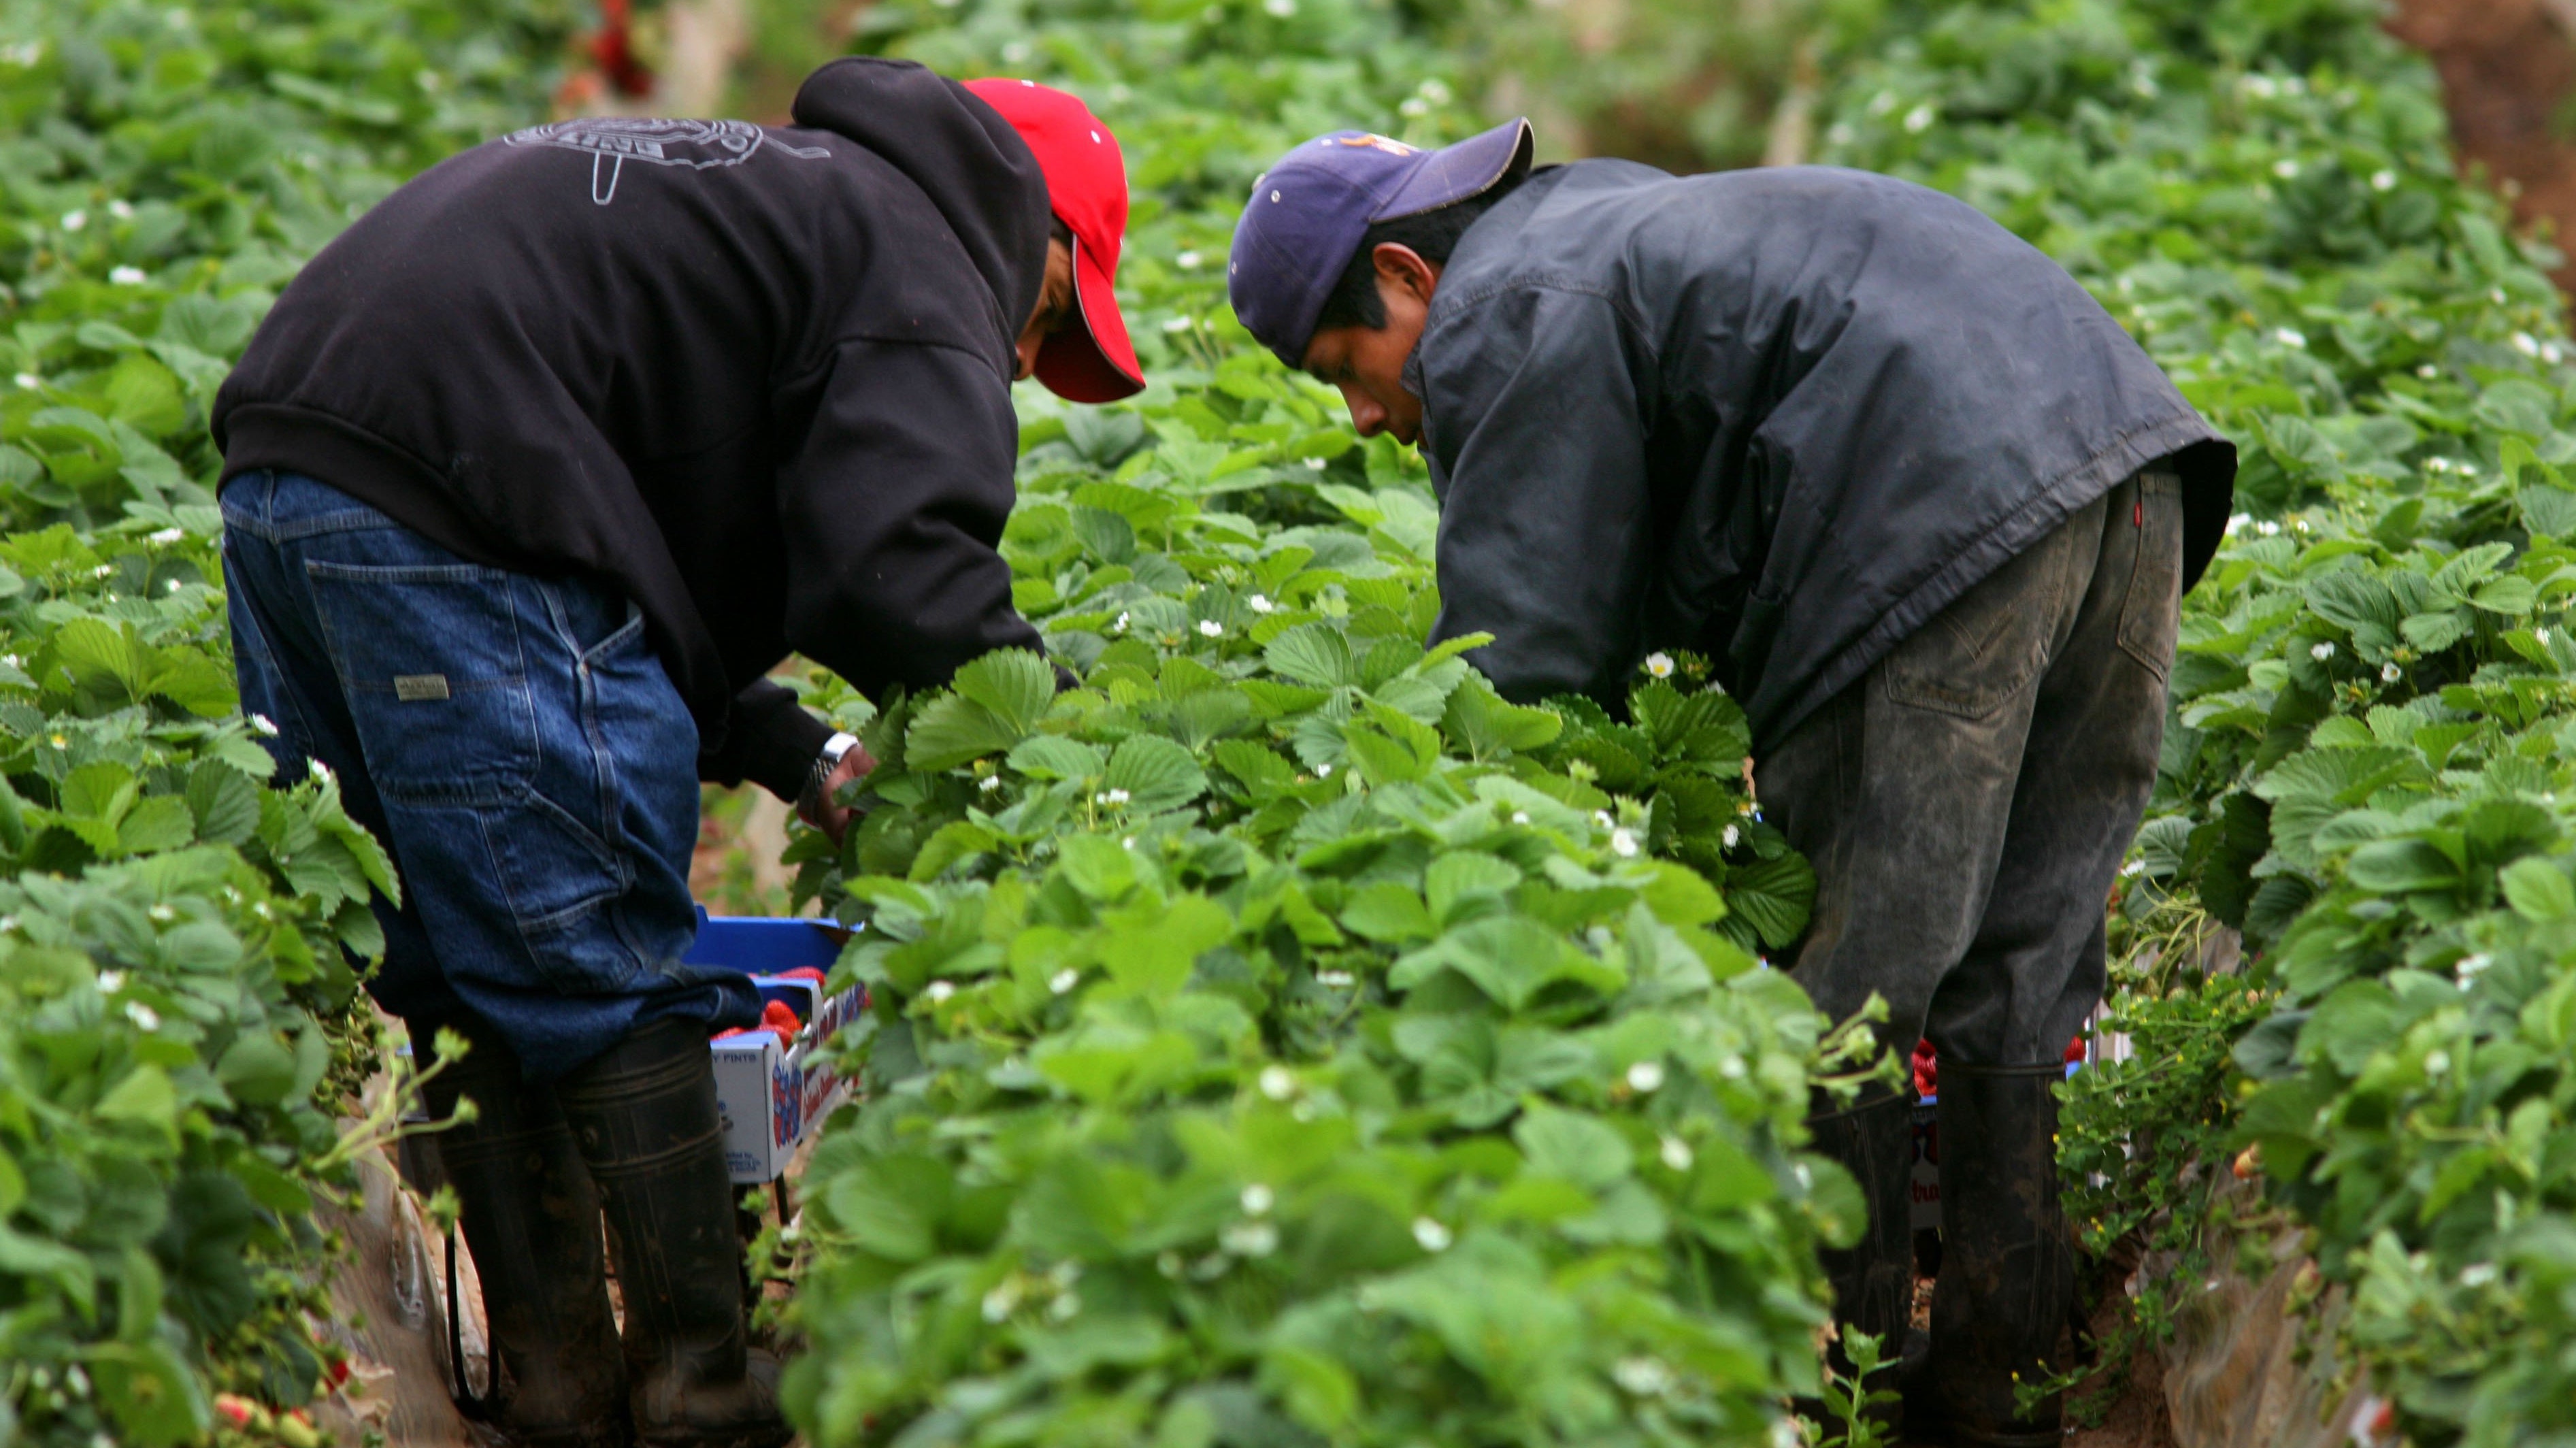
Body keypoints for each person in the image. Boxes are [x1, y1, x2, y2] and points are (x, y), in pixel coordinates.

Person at [1226, 122, 2234, 1443]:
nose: (1362, 416)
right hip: (2132, 469)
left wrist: (1438, 858)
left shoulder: (1503, 304)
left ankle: (1836, 1389)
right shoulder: (1605, 220)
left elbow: (1521, 664)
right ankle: (2006, 1384)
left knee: (1849, 983)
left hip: (1932, 511)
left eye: (1341, 370)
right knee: (2028, 955)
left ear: (1407, 276)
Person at [213, 61, 1144, 1448]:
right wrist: (1066, 747)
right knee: (595, 939)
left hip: (290, 470)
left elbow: (636, 577)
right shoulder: (926, 262)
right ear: (1043, 239)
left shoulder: (772, 203)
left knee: (456, 947)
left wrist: (794, 747)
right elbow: (896, 570)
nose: (1018, 363)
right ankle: (696, 1394)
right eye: (1048, 328)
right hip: (451, 488)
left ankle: (560, 1390)